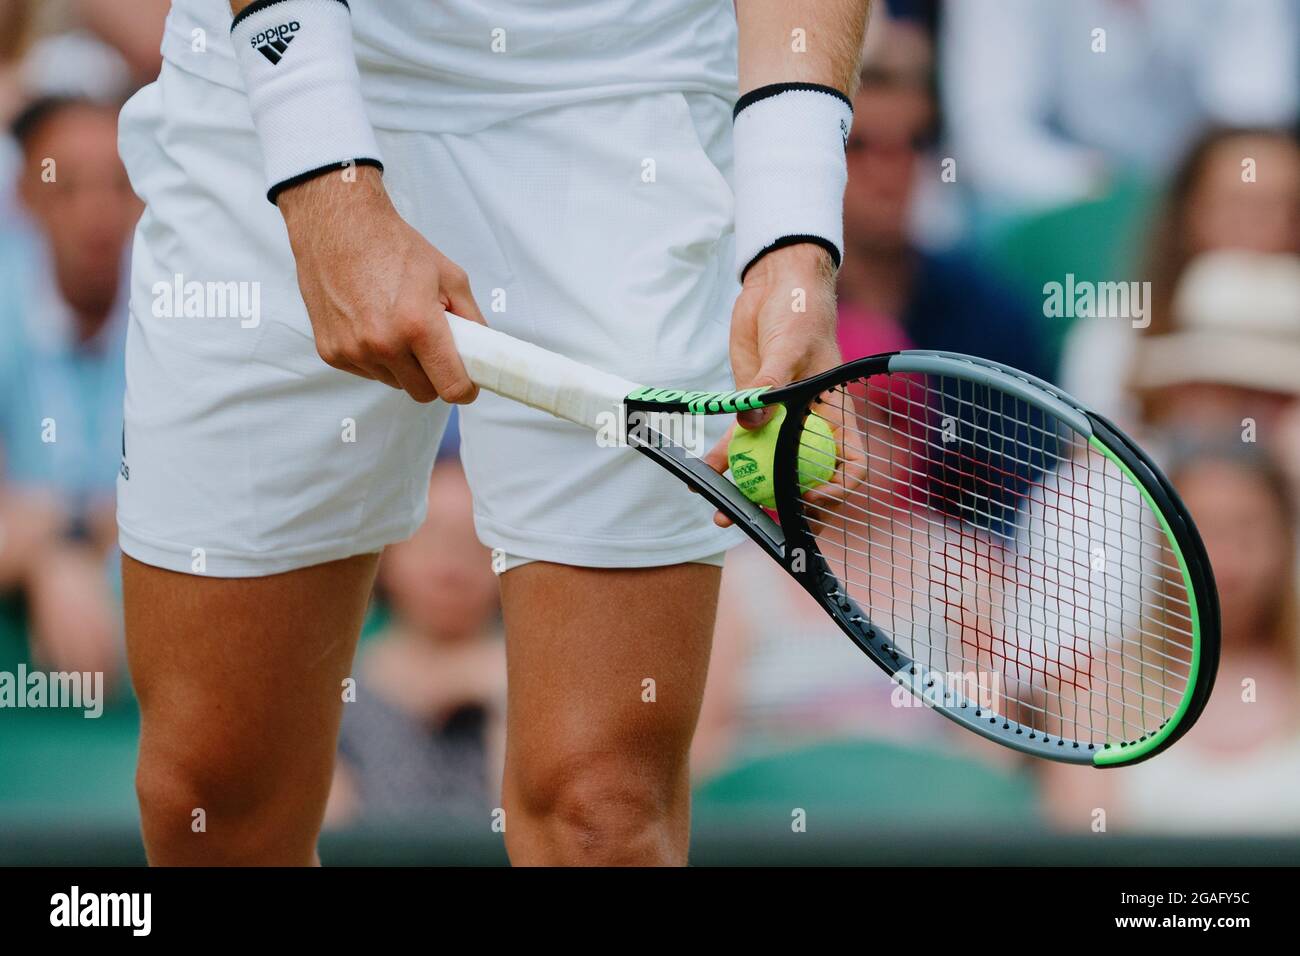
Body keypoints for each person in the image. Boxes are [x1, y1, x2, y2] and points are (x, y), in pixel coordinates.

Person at [118, 0, 873, 865]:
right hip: (279, 73)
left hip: (627, 100)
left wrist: (792, 245)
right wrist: (323, 177)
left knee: (606, 815)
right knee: (212, 800)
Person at [1041, 443, 1300, 833]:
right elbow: (1080, 840)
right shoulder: (1096, 689)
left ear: (1283, 539)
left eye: (1247, 530)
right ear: (1162, 544)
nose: (1225, 557)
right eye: (1203, 531)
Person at [0, 96, 136, 685]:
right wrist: (52, 551)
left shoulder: (191, 315)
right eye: (66, 187)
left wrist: (53, 530)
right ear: (23, 199)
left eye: (120, 186)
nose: (97, 214)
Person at [327, 463, 506, 827]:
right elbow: (328, 836)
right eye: (428, 538)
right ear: (387, 554)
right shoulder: (334, 689)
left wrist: (507, 700)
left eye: (473, 543)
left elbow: (539, 829)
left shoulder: (541, 690)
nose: (449, 566)